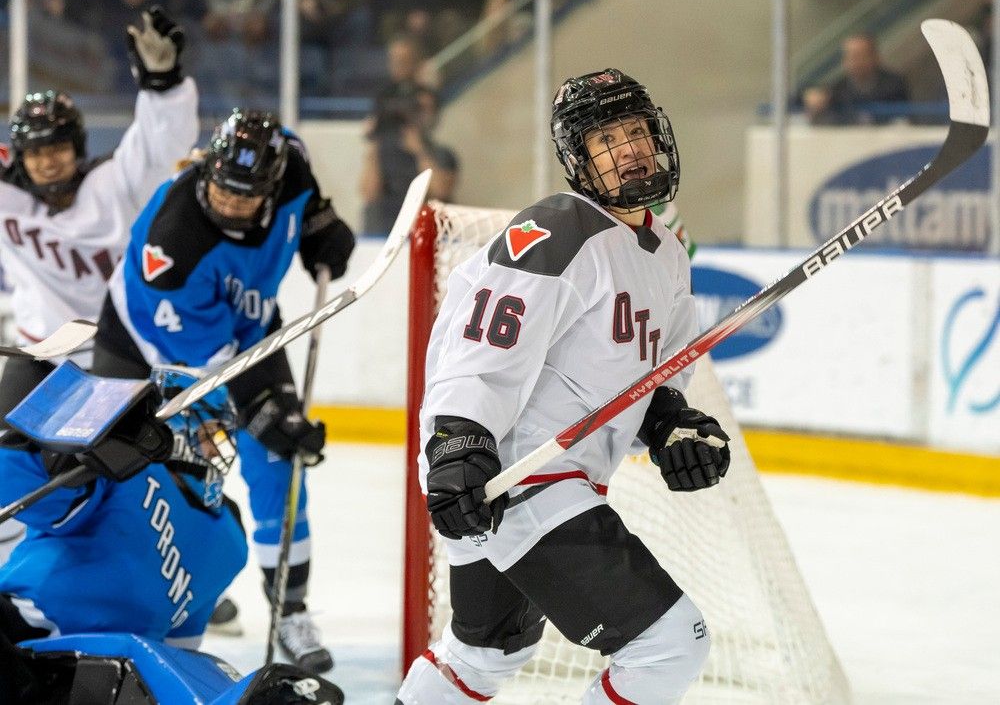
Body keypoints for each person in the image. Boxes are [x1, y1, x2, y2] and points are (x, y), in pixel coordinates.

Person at [395, 69, 731, 704]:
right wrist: (458, 442)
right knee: (668, 644)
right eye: (607, 140)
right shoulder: (556, 231)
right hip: (507, 475)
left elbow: (653, 380)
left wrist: (672, 426)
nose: (629, 150)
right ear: (579, 158)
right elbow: (479, 349)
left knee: (487, 651)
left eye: (635, 132)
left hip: (552, 475)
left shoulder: (667, 254)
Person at [91, 109, 356, 674]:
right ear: (206, 169)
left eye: (246, 195)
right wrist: (261, 413)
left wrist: (319, 225)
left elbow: (306, 197)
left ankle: (290, 610)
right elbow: (212, 370)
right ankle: (171, 590)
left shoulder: (289, 163)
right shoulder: (173, 248)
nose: (230, 203)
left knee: (280, 466)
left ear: (270, 187)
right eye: (222, 189)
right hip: (146, 349)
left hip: (244, 332)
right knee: (159, 473)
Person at [0, 6, 197, 563]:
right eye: (36, 152)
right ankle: (11, 571)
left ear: (78, 146)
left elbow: (160, 143)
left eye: (58, 148)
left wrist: (163, 84)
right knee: (6, 462)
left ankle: (171, 565)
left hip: (118, 357)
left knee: (128, 472)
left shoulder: (115, 184)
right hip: (40, 357)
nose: (48, 162)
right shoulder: (7, 199)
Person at [0, 364, 247, 671]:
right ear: (174, 426)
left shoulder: (230, 541)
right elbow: (11, 481)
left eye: (221, 435)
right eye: (207, 433)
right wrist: (59, 451)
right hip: (25, 633)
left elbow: (180, 656)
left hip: (112, 673)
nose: (215, 449)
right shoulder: (117, 466)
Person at [360, 84, 458, 235]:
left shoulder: (442, 154)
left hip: (424, 233)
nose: (422, 115)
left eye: (428, 109)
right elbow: (369, 194)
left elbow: (441, 191)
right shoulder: (384, 151)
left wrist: (419, 150)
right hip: (384, 231)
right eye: (417, 108)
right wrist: (376, 139)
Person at [803, 32, 910, 125]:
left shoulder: (894, 84)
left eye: (860, 56)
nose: (856, 62)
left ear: (875, 57)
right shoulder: (838, 88)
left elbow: (905, 117)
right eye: (851, 56)